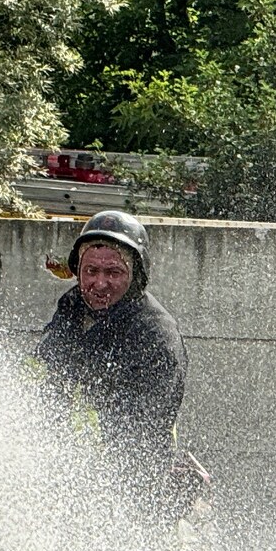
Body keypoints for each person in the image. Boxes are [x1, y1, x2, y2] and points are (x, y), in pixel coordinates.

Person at [38, 209, 189, 491]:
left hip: (129, 487)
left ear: (136, 275)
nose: (99, 283)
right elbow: (41, 376)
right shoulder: (73, 307)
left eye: (114, 272)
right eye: (90, 271)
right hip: (64, 471)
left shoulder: (154, 336)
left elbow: (137, 434)